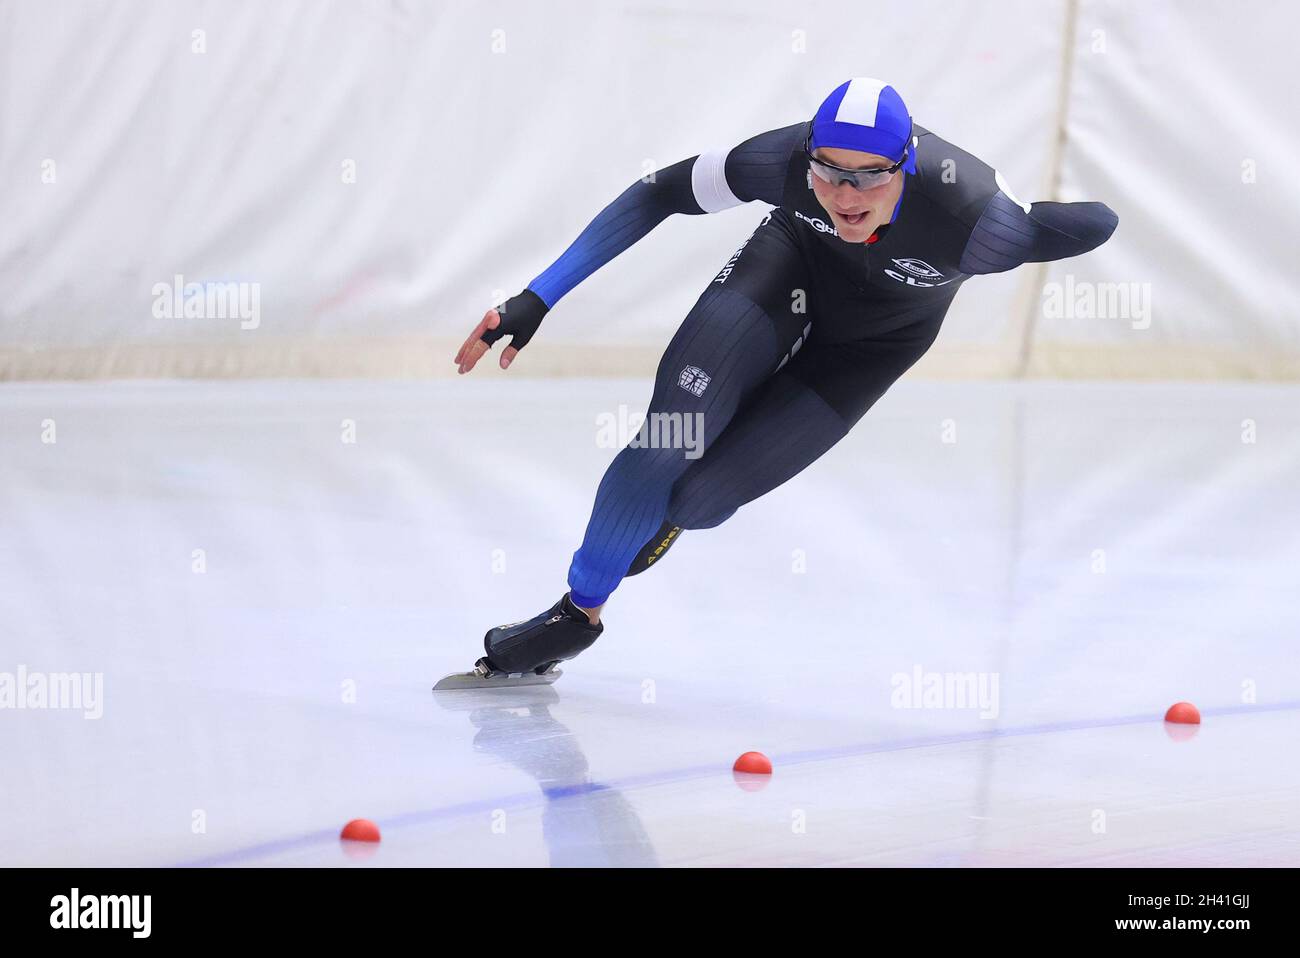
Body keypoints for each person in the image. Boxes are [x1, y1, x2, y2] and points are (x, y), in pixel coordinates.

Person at [452, 77, 1117, 680]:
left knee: (696, 500)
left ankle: (671, 508)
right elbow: (658, 192)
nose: (845, 198)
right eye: (829, 175)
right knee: (666, 442)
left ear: (908, 170)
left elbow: (1091, 224)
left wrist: (1036, 208)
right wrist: (540, 296)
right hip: (783, 272)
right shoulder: (778, 161)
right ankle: (578, 616)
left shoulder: (978, 225)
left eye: (869, 179)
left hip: (873, 345)